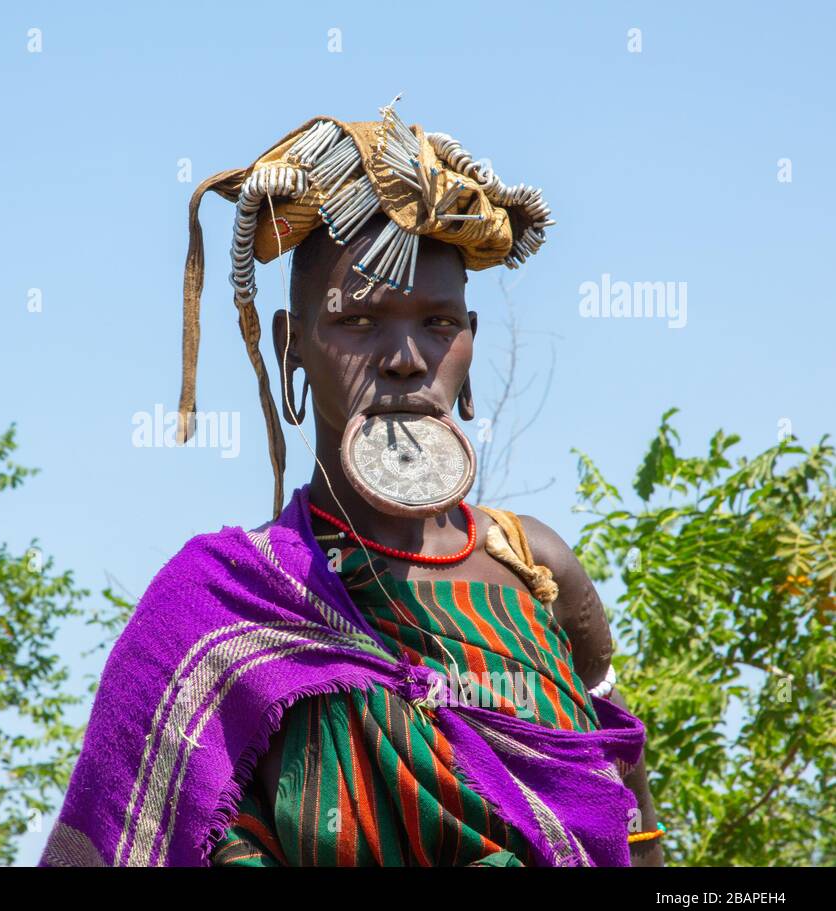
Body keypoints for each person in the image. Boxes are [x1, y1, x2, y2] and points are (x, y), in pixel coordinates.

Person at [39, 95, 663, 867]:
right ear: (291, 345)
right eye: (360, 322)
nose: (405, 357)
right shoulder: (218, 603)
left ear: (470, 342)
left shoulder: (536, 567)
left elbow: (620, 798)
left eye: (438, 323)